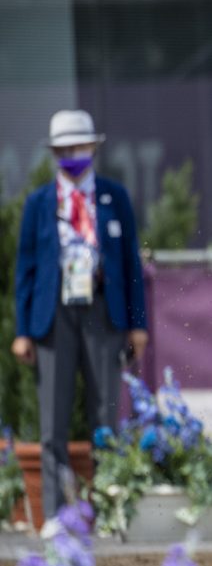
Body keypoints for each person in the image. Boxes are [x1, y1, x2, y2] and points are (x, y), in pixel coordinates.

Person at [11, 110, 149, 534]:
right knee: (52, 419)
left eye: (80, 147)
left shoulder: (114, 197)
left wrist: (137, 324)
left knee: (104, 415)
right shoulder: (38, 203)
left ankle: (106, 510)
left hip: (103, 309)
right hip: (53, 315)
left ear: (93, 148)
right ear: (55, 153)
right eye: (65, 149)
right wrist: (22, 330)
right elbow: (26, 268)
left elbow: (130, 265)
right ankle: (53, 514)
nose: (73, 155)